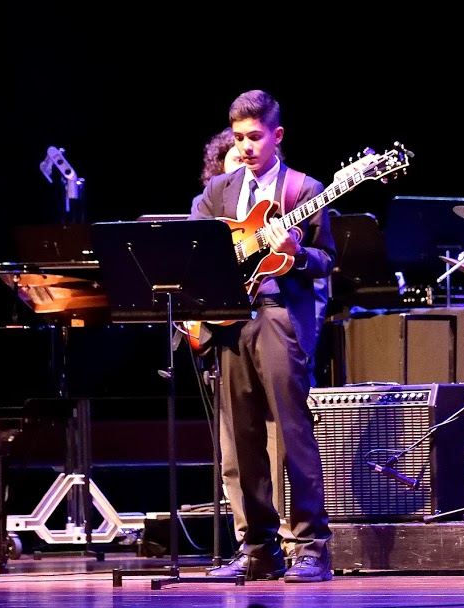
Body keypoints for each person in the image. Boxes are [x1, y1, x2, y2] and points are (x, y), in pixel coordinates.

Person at [190, 89, 336, 583]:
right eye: (239, 138)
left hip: (277, 314)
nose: (247, 146)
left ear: (277, 135)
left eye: (255, 137)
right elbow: (195, 250)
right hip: (230, 318)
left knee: (293, 434)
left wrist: (295, 252)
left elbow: (325, 261)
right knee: (239, 441)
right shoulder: (219, 192)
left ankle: (312, 547)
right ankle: (258, 549)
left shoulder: (303, 188)